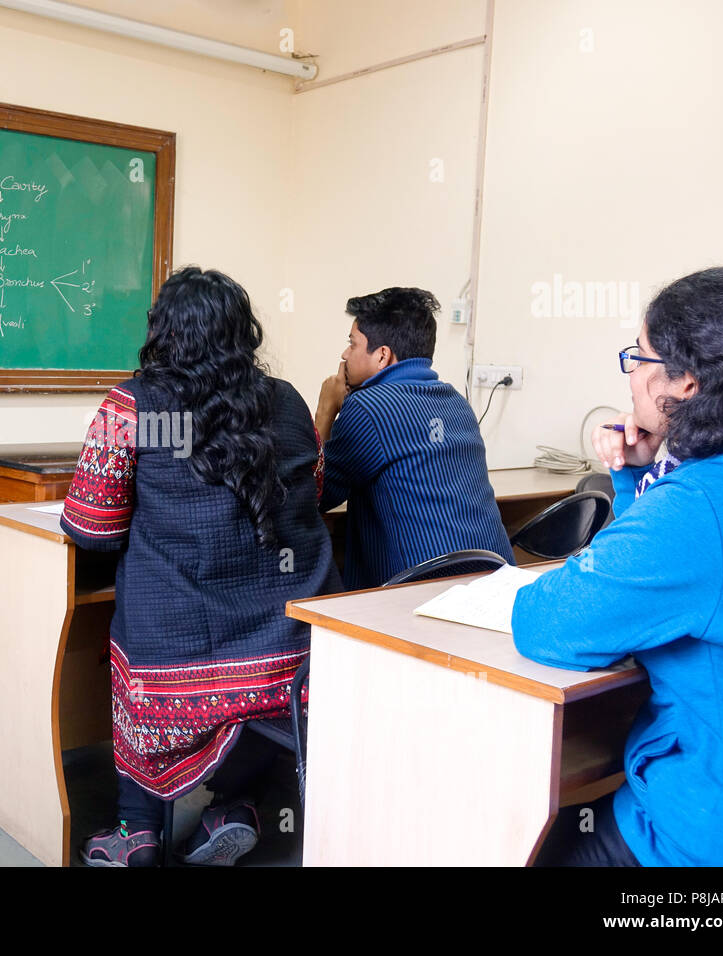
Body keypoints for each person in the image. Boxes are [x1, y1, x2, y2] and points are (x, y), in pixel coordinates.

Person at [60, 267, 341, 866]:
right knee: (272, 707)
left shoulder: (132, 406)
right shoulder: (287, 400)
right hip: (291, 644)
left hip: (175, 656)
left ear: (163, 332)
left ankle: (138, 832)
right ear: (245, 334)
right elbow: (313, 490)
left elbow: (93, 528)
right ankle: (236, 806)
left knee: (132, 628)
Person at [514, 265, 723, 866]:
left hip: (720, 837)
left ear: (686, 381)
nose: (632, 375)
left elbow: (549, 624)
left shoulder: (705, 506)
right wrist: (638, 477)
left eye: (638, 356)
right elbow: (682, 581)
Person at [315, 287, 513, 589]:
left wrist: (326, 411)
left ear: (382, 356)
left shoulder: (369, 406)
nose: (344, 354)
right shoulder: (456, 401)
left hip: (420, 594)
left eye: (352, 344)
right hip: (497, 582)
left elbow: (315, 495)